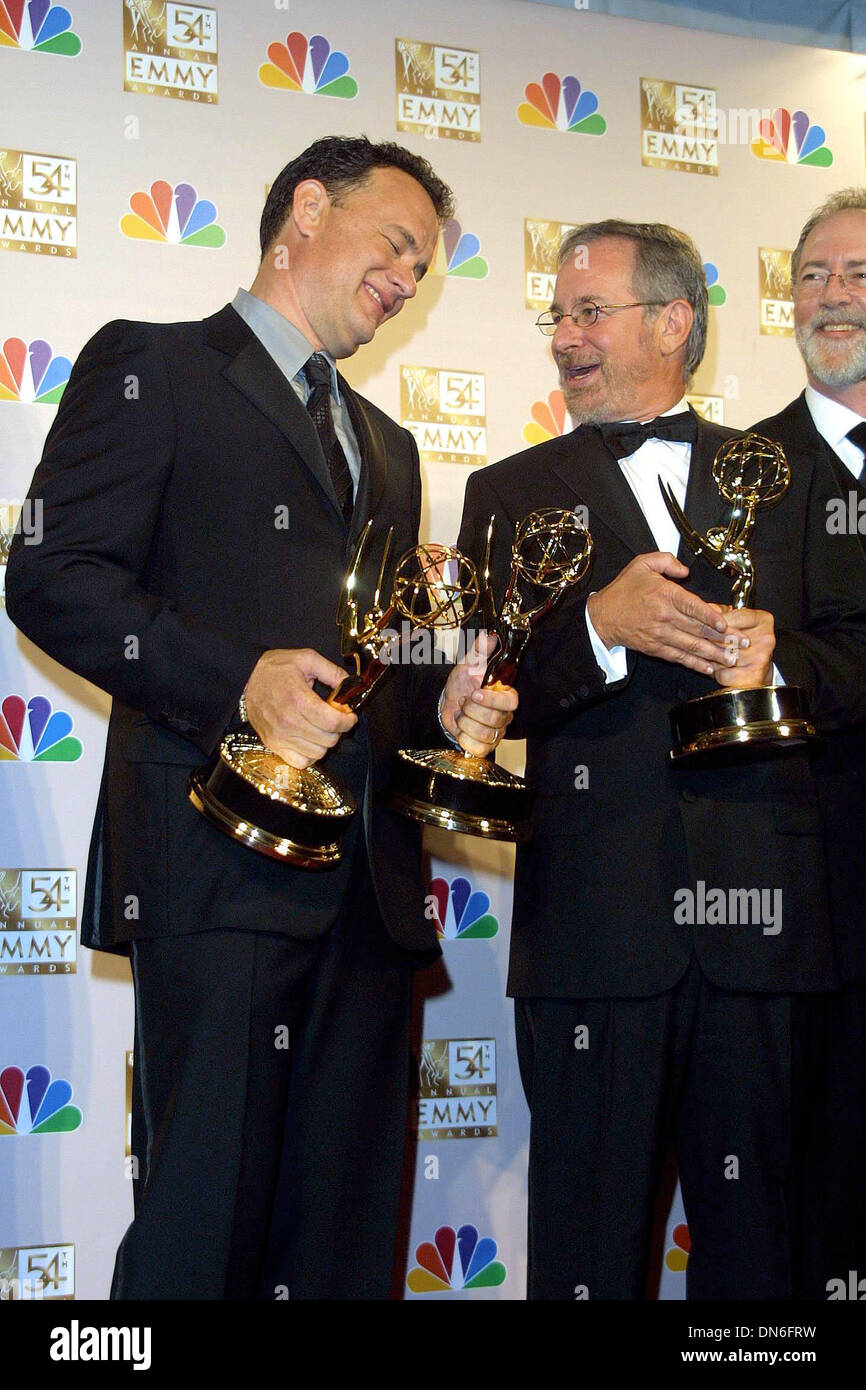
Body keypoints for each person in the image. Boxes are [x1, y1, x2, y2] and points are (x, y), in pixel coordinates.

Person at [5, 135, 515, 1301]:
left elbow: (367, 652)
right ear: (303, 208)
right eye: (394, 244)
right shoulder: (154, 367)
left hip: (368, 892)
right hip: (215, 858)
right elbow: (51, 576)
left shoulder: (388, 446)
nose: (406, 279)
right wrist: (238, 680)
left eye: (424, 269)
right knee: (203, 1224)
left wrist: (445, 694)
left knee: (343, 1236)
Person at [455, 219, 866, 1300]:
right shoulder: (502, 493)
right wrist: (597, 622)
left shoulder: (787, 471)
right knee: (586, 1253)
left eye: (589, 312)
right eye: (558, 315)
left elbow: (852, 655)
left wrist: (784, 661)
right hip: (596, 936)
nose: (564, 338)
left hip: (768, 937)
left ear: (673, 321)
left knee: (767, 1260)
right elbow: (471, 698)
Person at [754, 188, 866, 1299]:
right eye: (814, 276)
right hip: (804, 917)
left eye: (857, 276)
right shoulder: (741, 477)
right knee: (806, 1221)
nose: (832, 299)